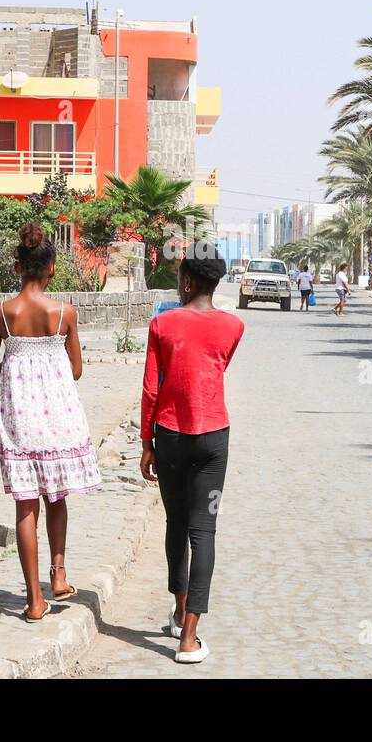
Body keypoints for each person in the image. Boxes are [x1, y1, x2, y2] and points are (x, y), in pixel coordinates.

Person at [0, 223, 101, 622]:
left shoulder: (2, 313)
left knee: (25, 508)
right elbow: (77, 370)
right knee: (58, 498)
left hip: (19, 422)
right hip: (60, 420)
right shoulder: (65, 313)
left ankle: (34, 600)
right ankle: (59, 576)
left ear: (18, 267)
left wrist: (17, 367)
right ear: (51, 269)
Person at [140, 242, 244, 664]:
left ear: (185, 280)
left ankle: (179, 611)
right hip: (213, 438)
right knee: (205, 533)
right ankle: (189, 637)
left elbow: (151, 389)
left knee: (176, 524)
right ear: (215, 282)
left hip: (169, 437)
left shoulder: (162, 325)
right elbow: (217, 368)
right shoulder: (234, 326)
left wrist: (146, 443)